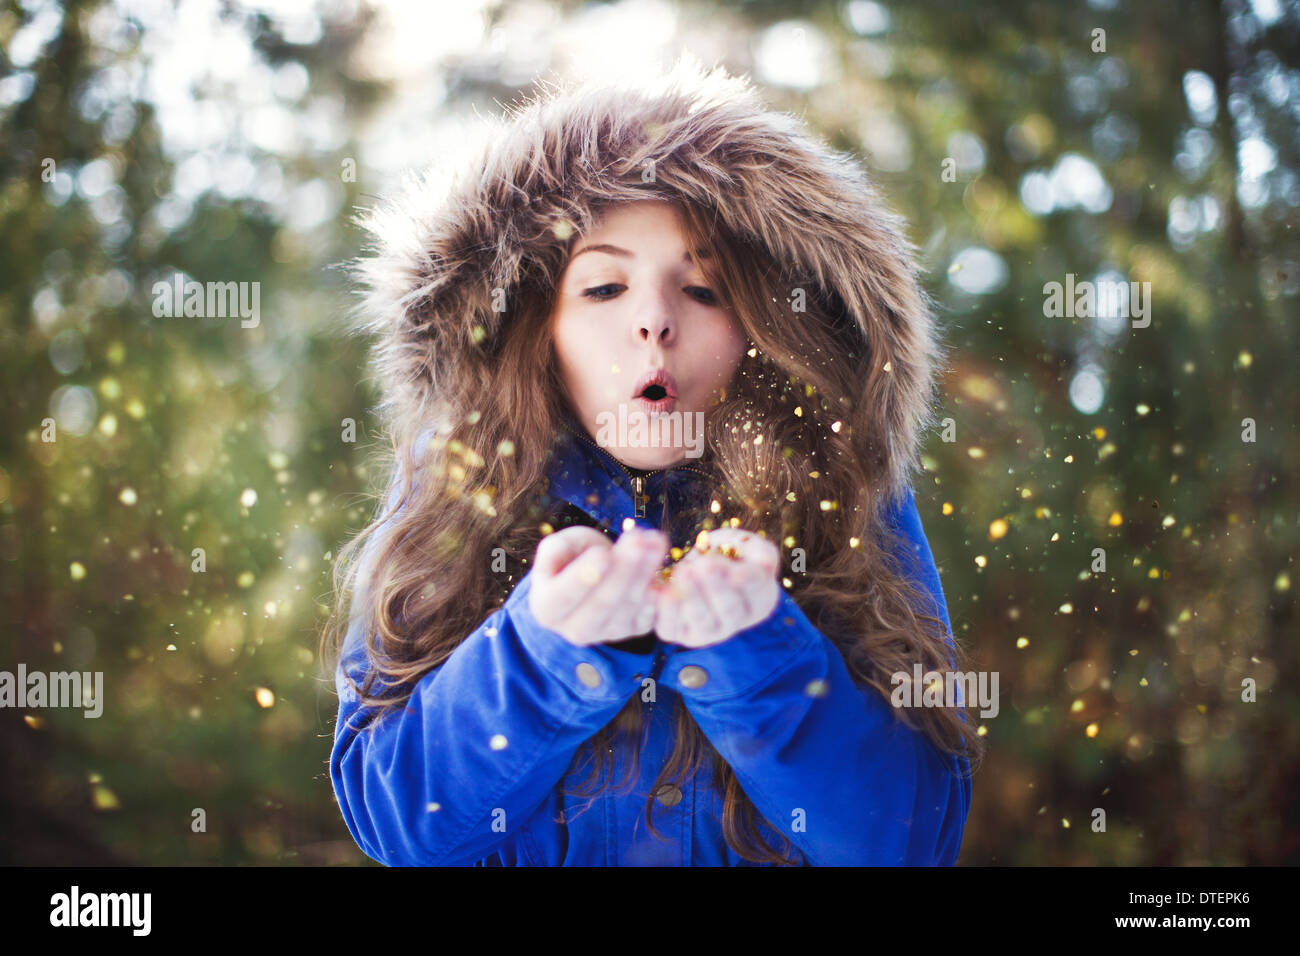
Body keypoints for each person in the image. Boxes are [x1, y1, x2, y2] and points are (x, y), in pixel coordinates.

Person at [322, 56, 983, 866]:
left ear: (764, 335)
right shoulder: (453, 489)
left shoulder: (850, 498)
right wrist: (543, 652)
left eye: (704, 291)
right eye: (603, 289)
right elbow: (396, 823)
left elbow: (913, 840)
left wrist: (756, 655)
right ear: (538, 331)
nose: (655, 322)